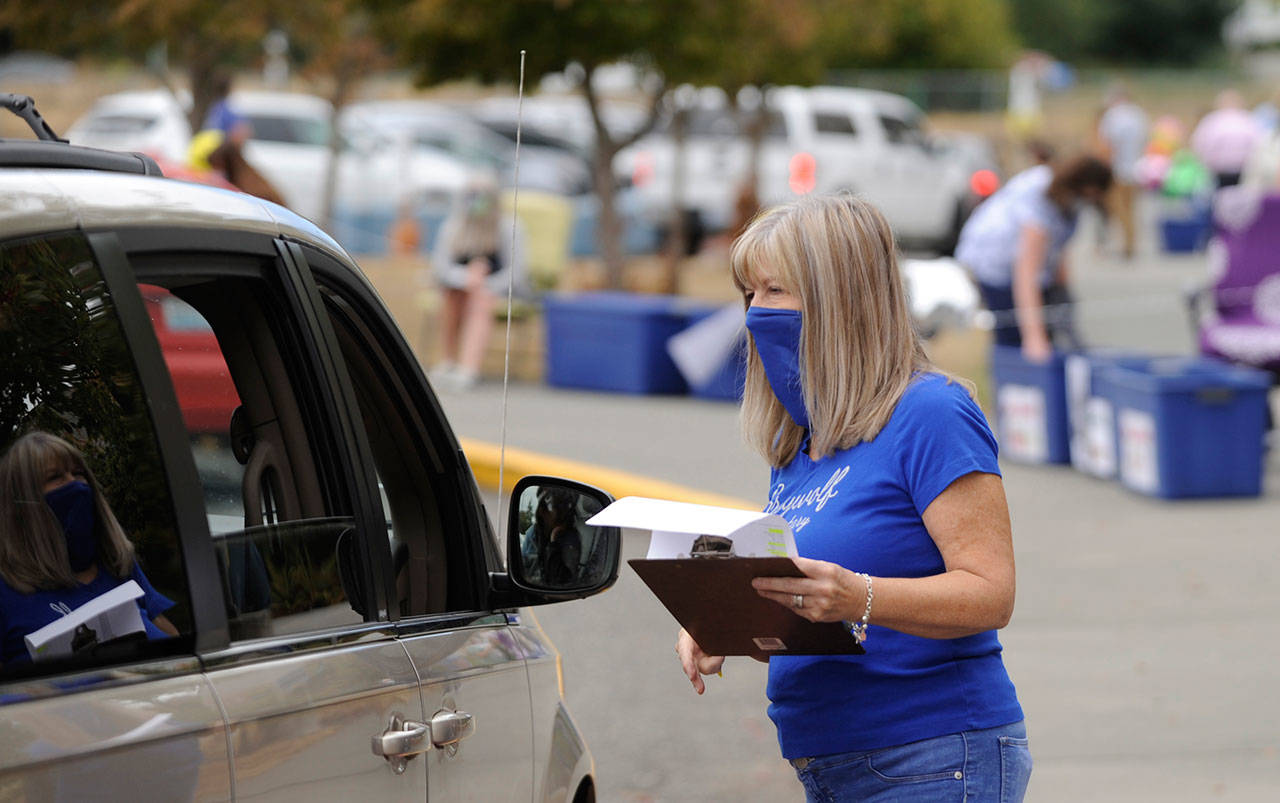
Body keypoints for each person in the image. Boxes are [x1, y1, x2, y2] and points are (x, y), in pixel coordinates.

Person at [675, 194, 1030, 801]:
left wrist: (857, 595)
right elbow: (821, 618)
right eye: (750, 293)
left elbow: (990, 593)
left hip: (933, 755)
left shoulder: (931, 413)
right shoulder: (801, 444)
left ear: (842, 300)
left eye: (776, 290)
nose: (757, 313)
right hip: (833, 765)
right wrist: (731, 624)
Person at [0, 432, 177, 667]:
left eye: (79, 473)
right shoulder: (7, 589)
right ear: (23, 503)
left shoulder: (117, 564)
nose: (74, 484)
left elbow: (177, 647)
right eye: (56, 477)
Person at [954, 155, 1113, 360]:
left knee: (1052, 321)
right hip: (994, 265)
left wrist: (1062, 296)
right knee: (1014, 335)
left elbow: (1058, 249)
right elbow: (1026, 273)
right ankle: (1013, 374)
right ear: (1089, 187)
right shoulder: (1039, 199)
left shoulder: (1071, 202)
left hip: (1023, 268)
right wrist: (1034, 338)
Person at [430, 175, 523, 391]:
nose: (476, 201)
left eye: (482, 197)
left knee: (480, 299)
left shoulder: (509, 228)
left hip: (496, 290)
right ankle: (448, 362)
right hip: (461, 289)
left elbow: (516, 273)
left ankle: (468, 369)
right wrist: (466, 277)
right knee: (451, 296)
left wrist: (484, 283)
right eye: (471, 196)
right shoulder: (453, 227)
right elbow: (441, 268)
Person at [1097, 85, 1149, 259]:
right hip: (1136, 168)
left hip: (1117, 169)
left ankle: (1124, 245)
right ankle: (1129, 243)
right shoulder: (1138, 115)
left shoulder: (1112, 117)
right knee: (1130, 209)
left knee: (1117, 209)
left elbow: (1107, 145)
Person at [1190, 89, 1261, 189]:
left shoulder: (1211, 120)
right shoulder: (1249, 119)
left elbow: (1199, 145)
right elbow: (1259, 145)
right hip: (1244, 171)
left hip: (1219, 172)